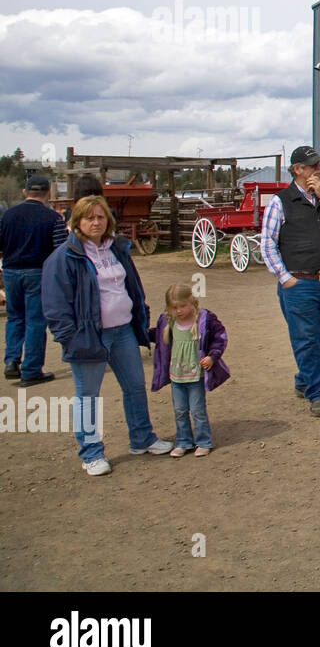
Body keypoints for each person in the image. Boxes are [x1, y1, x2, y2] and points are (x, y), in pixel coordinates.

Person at [41, 195, 173, 476]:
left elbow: (132, 286)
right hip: (89, 335)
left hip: (123, 331)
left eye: (101, 217)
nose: (96, 222)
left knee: (135, 386)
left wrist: (141, 317)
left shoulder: (118, 250)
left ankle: (142, 438)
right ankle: (91, 453)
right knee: (88, 396)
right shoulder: (64, 257)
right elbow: (55, 306)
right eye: (89, 217)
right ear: (77, 222)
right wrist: (72, 339)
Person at [260, 145, 320, 417]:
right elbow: (267, 243)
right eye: (312, 165)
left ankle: (304, 378)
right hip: (299, 283)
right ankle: (317, 393)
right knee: (306, 341)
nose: (318, 169)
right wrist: (284, 277)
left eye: (319, 164)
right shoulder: (281, 202)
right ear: (297, 170)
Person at [1, 174, 68, 385]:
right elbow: (60, 251)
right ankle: (31, 370)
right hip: (39, 273)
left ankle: (11, 361)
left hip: (11, 271)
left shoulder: (7, 215)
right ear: (48, 192)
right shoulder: (54, 218)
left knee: (14, 318)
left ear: (25, 192)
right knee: (35, 322)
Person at [151, 283, 230, 457]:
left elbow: (220, 337)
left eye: (182, 306)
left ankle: (203, 441)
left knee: (197, 410)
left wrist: (212, 356)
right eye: (174, 307)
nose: (178, 311)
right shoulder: (167, 321)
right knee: (179, 410)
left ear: (191, 302)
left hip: (196, 376)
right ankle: (183, 441)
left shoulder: (204, 320)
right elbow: (156, 335)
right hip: (176, 376)